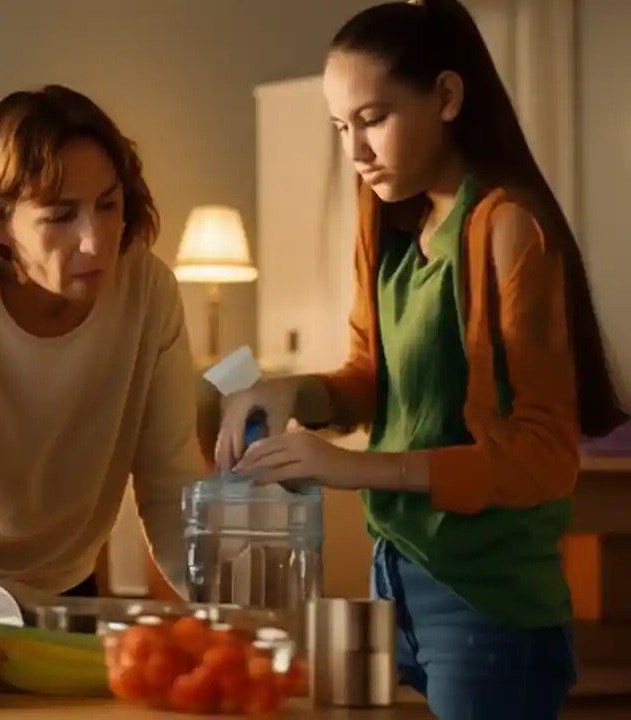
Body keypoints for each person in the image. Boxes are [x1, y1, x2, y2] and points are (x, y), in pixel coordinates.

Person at [215, 1, 627, 717]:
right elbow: (369, 383)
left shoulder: (508, 229)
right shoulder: (388, 222)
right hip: (393, 579)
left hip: (487, 599)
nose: (356, 151)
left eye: (373, 118)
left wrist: (354, 469)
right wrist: (290, 392)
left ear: (446, 96)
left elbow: (544, 458)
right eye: (341, 128)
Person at [0, 85, 206, 604]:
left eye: (108, 205)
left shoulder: (148, 290)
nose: (95, 241)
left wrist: (232, 615)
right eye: (60, 216)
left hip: (64, 581)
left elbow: (170, 487)